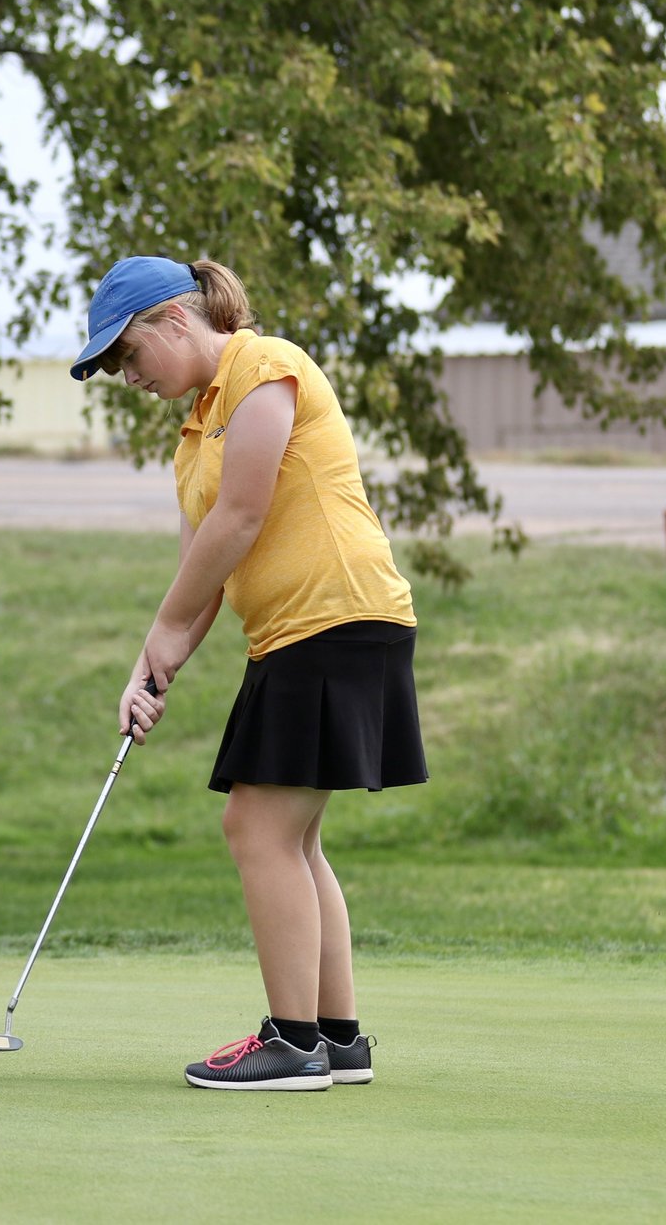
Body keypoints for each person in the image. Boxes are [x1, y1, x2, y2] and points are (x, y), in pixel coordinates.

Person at [70, 255, 429, 1092]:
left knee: (255, 829)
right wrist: (151, 668)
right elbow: (204, 568)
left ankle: (291, 1042)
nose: (128, 376)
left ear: (173, 320)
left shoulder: (264, 369)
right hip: (295, 634)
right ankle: (336, 1039)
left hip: (338, 620)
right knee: (293, 836)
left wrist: (166, 627)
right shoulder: (196, 432)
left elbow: (244, 514)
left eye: (127, 354)